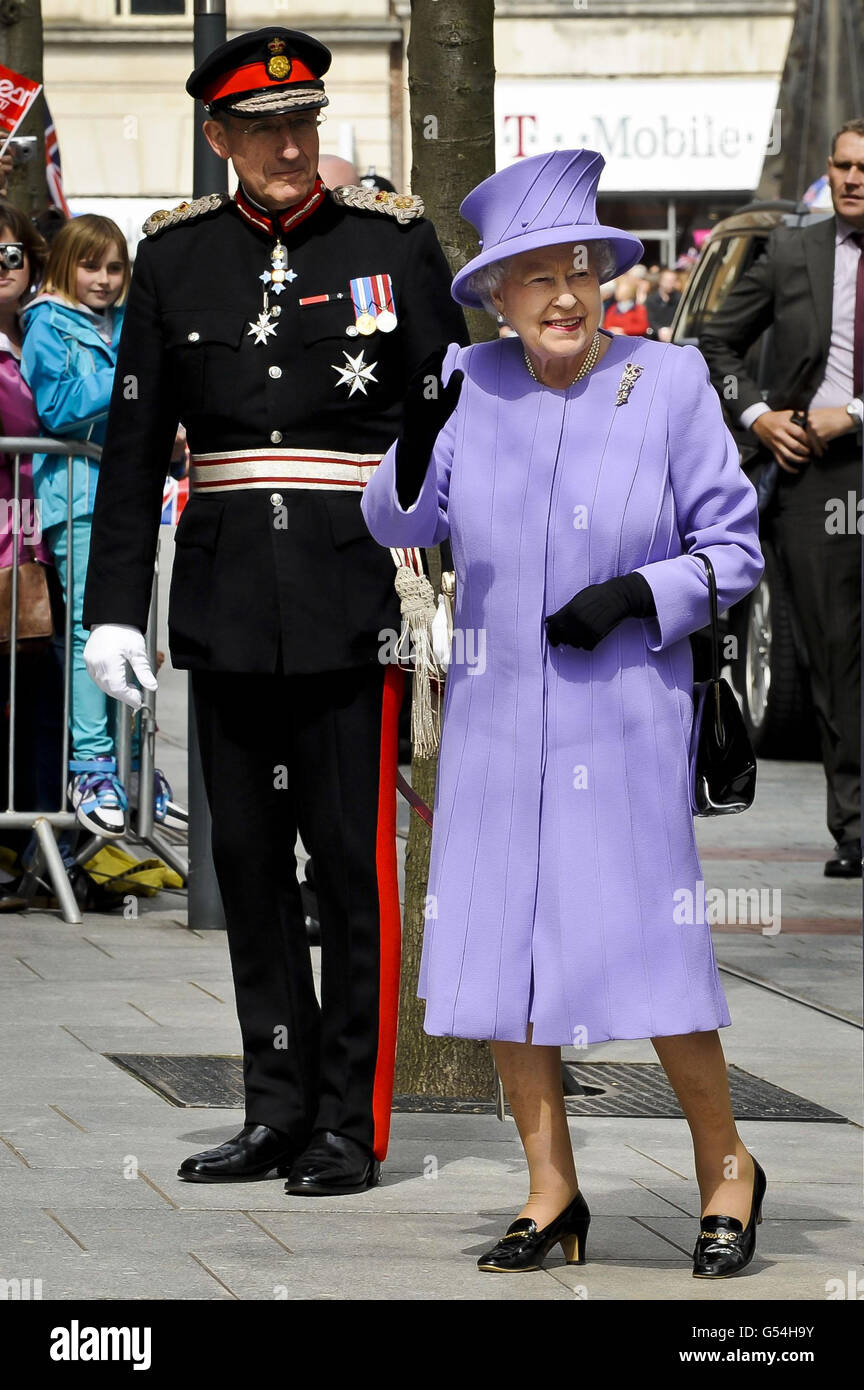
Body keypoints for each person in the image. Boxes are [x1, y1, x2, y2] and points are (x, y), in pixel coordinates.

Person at [362, 148, 767, 1279]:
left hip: (624, 720)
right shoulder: (473, 384)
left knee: (653, 952)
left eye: (579, 267)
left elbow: (733, 550)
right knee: (504, 953)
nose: (565, 295)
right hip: (499, 724)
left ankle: (727, 1166)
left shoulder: (670, 382)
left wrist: (644, 593)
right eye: (534, 276)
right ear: (497, 296)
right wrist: (413, 430)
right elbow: (396, 526)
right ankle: (553, 1192)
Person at [81, 27, 468, 1193]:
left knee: (352, 870)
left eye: (303, 124)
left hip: (358, 594)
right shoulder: (175, 258)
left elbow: (452, 422)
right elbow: (135, 442)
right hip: (228, 596)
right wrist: (110, 611)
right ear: (220, 139)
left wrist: (455, 582)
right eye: (263, 130)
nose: (291, 146)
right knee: (248, 872)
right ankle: (276, 1106)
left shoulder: (392, 241)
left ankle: (350, 1124)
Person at [701, 117, 864, 879]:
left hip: (853, 434)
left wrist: (855, 412)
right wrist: (759, 416)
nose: (853, 178)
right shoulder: (795, 248)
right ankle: (856, 830)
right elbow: (715, 341)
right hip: (815, 474)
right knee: (837, 656)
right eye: (843, 165)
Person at [20, 215, 135, 839]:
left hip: (124, 498)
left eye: (116, 268)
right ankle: (91, 763)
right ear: (66, 265)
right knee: (92, 631)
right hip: (77, 497)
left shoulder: (121, 324)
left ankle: (129, 763)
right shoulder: (46, 323)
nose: (105, 280)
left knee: (126, 631)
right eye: (93, 266)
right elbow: (58, 409)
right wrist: (127, 368)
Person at [0, 200, 65, 852]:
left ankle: (40, 846)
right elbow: (36, 423)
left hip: (42, 547)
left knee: (43, 704)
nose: (0, 267)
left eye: (10, 254)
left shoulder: (45, 331)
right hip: (5, 548)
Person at [646, 267, 681, 341]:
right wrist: (659, 330)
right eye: (668, 280)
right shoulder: (651, 300)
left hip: (674, 337)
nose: (670, 283)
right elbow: (650, 319)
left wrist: (673, 329)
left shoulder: (679, 298)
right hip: (655, 338)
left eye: (673, 281)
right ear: (660, 281)